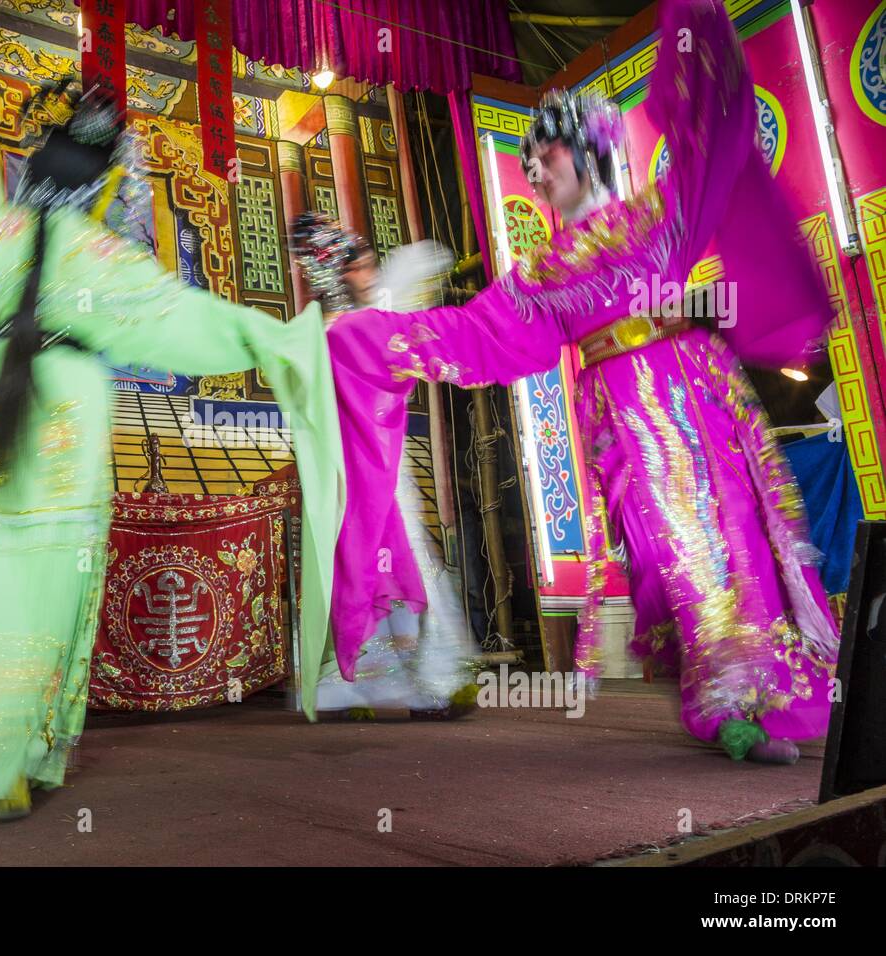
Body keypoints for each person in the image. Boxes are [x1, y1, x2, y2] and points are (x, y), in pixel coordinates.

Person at [325, 0, 839, 763]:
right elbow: (476, 335)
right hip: (626, 411)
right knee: (676, 543)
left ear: (588, 151)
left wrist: (691, 28)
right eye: (528, 160)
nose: (533, 170)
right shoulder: (539, 273)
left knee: (739, 535)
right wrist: (373, 338)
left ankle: (770, 699)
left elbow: (714, 139)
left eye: (546, 154)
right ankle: (728, 705)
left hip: (699, 389)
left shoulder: (660, 211)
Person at [0, 85, 343, 818]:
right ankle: (20, 753)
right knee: (47, 582)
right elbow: (178, 320)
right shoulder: (95, 255)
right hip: (63, 403)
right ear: (100, 188)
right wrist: (276, 338)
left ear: (31, 175)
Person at [289, 212, 476, 717]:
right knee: (387, 564)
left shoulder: (325, 331)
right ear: (336, 276)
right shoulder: (345, 330)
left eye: (368, 261)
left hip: (374, 467)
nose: (367, 272)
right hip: (363, 473)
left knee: (379, 566)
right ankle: (414, 680)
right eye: (355, 264)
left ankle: (380, 681)